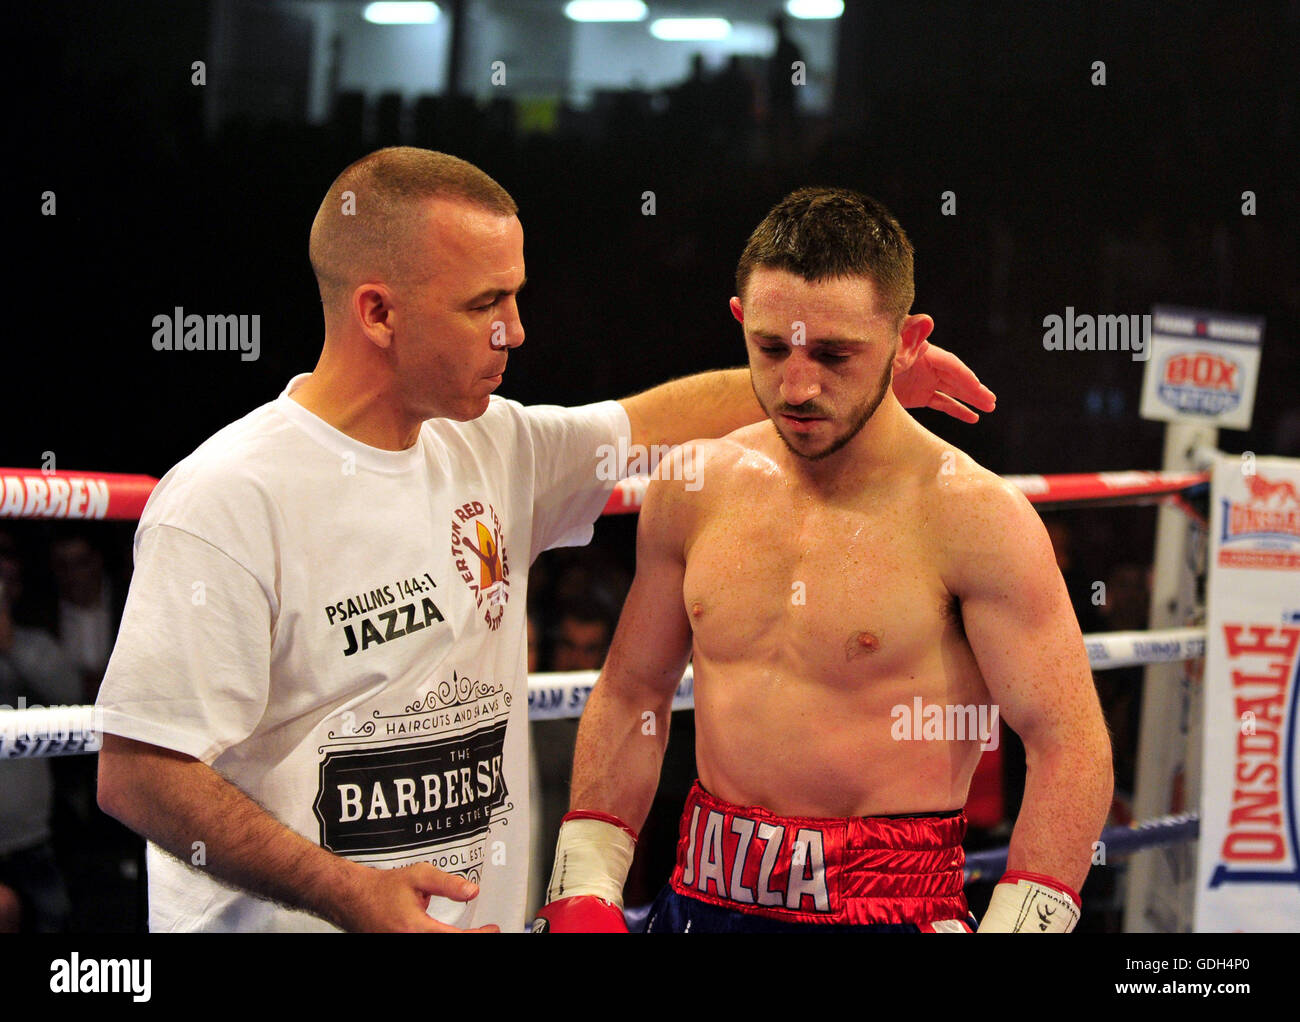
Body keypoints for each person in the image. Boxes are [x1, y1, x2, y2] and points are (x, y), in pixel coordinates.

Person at [94, 151, 994, 933]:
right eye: (486, 303)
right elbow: (137, 776)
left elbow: (656, 420)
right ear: (377, 312)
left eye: (516, 295)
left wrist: (869, 375)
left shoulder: (493, 445)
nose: (516, 331)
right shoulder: (225, 500)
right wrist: (344, 895)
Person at [537, 188, 1112, 933]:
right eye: (773, 349)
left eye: (836, 355)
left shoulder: (975, 518)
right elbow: (633, 691)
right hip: (700, 901)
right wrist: (585, 876)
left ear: (908, 342)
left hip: (889, 909)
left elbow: (1070, 744)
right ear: (742, 323)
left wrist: (1021, 926)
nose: (799, 387)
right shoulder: (693, 486)